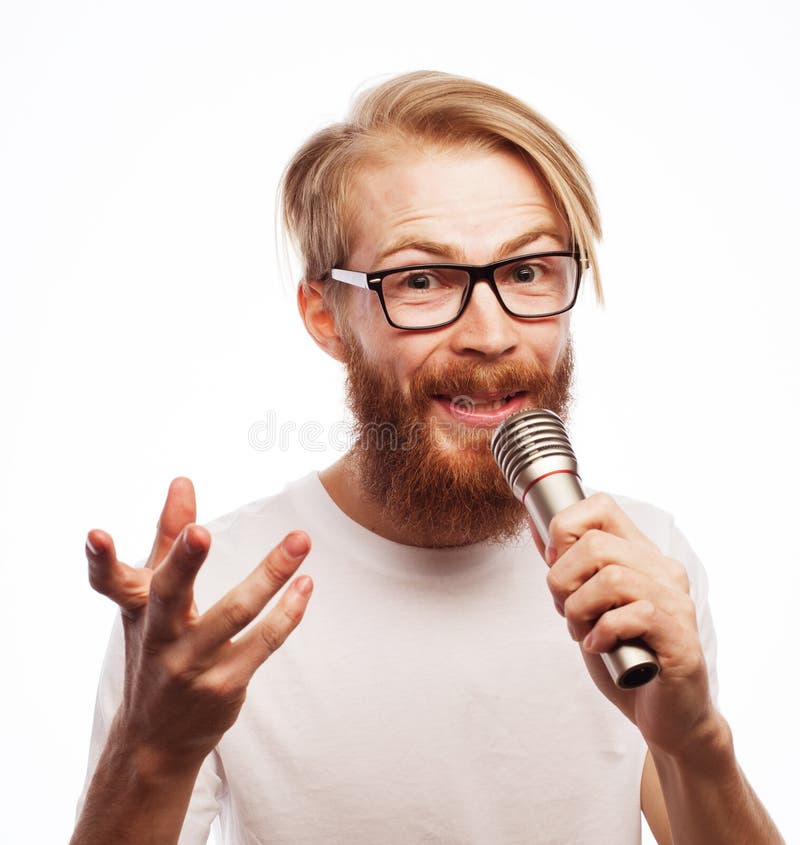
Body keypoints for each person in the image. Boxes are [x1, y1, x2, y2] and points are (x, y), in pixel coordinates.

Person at [72, 71, 784, 844]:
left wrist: (696, 742)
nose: (492, 333)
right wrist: (150, 751)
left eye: (525, 271)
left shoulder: (636, 569)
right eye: (421, 279)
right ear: (327, 316)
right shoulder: (208, 602)